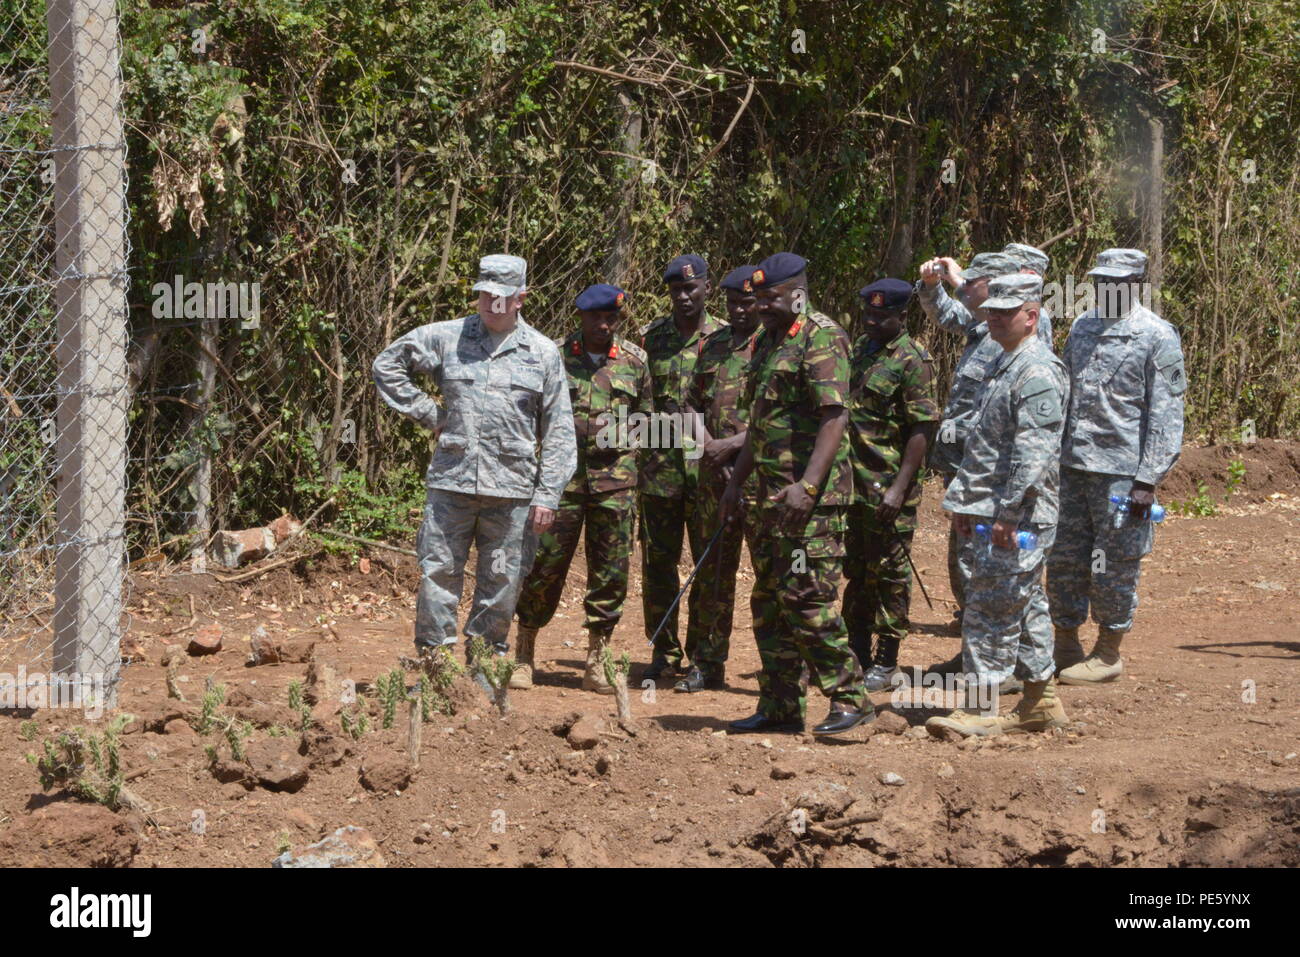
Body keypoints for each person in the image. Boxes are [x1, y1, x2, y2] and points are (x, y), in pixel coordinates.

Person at [372, 254, 575, 667]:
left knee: (501, 581)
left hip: (512, 492)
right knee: (437, 575)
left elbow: (559, 430)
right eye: (484, 295)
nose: (491, 304)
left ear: (521, 298)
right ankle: (436, 666)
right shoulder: (447, 338)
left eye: (500, 297)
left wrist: (548, 494)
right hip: (452, 485)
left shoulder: (542, 353)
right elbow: (387, 364)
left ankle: (485, 666)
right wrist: (431, 415)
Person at [719, 252, 872, 737]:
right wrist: (736, 485)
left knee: (808, 597)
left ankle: (851, 699)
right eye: (757, 297)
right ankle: (781, 705)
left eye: (770, 297)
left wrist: (807, 486)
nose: (761, 305)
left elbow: (834, 418)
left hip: (812, 504)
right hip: (768, 499)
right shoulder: (767, 341)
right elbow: (760, 425)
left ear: (798, 294)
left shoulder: (821, 337)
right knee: (768, 601)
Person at [925, 273, 1069, 738]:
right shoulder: (1004, 364)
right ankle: (1040, 702)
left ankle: (981, 709)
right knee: (1025, 606)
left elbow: (1034, 452)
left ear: (1032, 317)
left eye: (1008, 312)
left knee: (989, 609)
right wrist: (968, 503)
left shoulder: (1037, 370)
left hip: (1018, 516)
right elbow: (986, 446)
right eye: (993, 311)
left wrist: (1007, 514)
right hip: (994, 509)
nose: (997, 319)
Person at [1047, 248, 1186, 684]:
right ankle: (1064, 642)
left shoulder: (1157, 335)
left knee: (1115, 562)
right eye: (1101, 281)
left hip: (1122, 475)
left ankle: (1108, 652)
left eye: (1117, 282)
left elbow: (1167, 413)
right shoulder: (1083, 326)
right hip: (1072, 466)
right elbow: (1065, 392)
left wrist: (1147, 480)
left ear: (1135, 285)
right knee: (1065, 557)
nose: (1108, 288)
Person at [513, 284, 653, 692]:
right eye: (596, 317)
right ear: (581, 316)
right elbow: (529, 412)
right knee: (544, 567)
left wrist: (628, 442)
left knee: (611, 572)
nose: (603, 325)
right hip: (562, 482)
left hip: (615, 483)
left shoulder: (634, 362)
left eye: (611, 318)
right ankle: (524, 651)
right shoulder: (554, 357)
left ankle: (598, 656)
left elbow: (647, 418)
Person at [843, 278, 939, 691]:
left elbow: (922, 428)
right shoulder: (860, 351)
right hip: (852, 485)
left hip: (889, 487)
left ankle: (887, 659)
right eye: (868, 312)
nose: (872, 320)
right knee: (857, 571)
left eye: (882, 315)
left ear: (902, 315)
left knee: (890, 574)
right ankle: (857, 651)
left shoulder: (913, 359)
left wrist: (900, 489)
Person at [639, 254, 726, 681]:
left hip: (709, 471)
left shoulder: (726, 340)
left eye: (691, 288)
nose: (684, 296)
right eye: (676, 289)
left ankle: (704, 658)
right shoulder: (652, 339)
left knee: (708, 566)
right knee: (659, 563)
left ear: (707, 287)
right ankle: (664, 652)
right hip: (661, 471)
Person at [675, 265, 761, 692]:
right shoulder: (715, 346)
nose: (740, 310)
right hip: (716, 480)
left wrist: (734, 449)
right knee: (712, 574)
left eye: (747, 301)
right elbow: (688, 404)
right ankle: (706, 662)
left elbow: (784, 419)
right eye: (732, 303)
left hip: (766, 480)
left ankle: (786, 665)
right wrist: (710, 446)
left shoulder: (777, 345)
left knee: (776, 575)